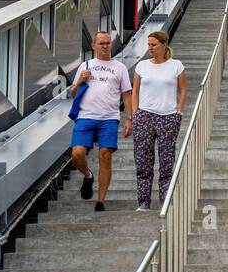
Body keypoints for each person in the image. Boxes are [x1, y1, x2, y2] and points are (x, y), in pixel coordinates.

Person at [66, 31, 132, 213]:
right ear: (93, 46)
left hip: (109, 118)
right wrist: (79, 81)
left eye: (108, 43)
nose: (105, 46)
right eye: (101, 43)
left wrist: (129, 118)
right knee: (77, 154)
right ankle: (88, 176)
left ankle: (100, 201)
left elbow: (127, 94)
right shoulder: (85, 65)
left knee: (105, 155)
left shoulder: (120, 68)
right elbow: (72, 94)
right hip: (86, 116)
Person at [127, 30, 186, 211]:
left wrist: (179, 112)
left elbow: (182, 90)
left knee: (167, 161)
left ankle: (165, 201)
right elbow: (134, 91)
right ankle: (143, 202)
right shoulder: (142, 66)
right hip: (144, 115)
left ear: (163, 45)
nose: (150, 48)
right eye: (149, 44)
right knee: (143, 160)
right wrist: (135, 113)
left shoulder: (176, 66)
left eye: (153, 44)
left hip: (168, 117)